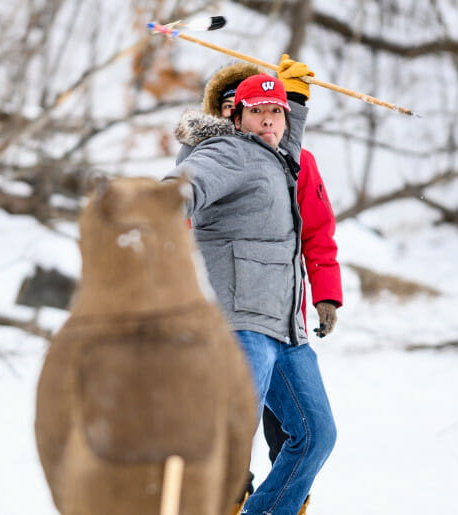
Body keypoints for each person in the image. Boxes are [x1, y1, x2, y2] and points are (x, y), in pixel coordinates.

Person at [164, 55, 337, 515]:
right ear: (233, 117)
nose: (268, 118)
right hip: (240, 321)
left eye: (275, 110)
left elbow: (316, 225)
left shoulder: (284, 160)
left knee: (316, 434)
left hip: (286, 326)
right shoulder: (230, 152)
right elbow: (187, 183)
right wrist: (164, 211)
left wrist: (295, 98)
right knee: (229, 434)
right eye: (255, 110)